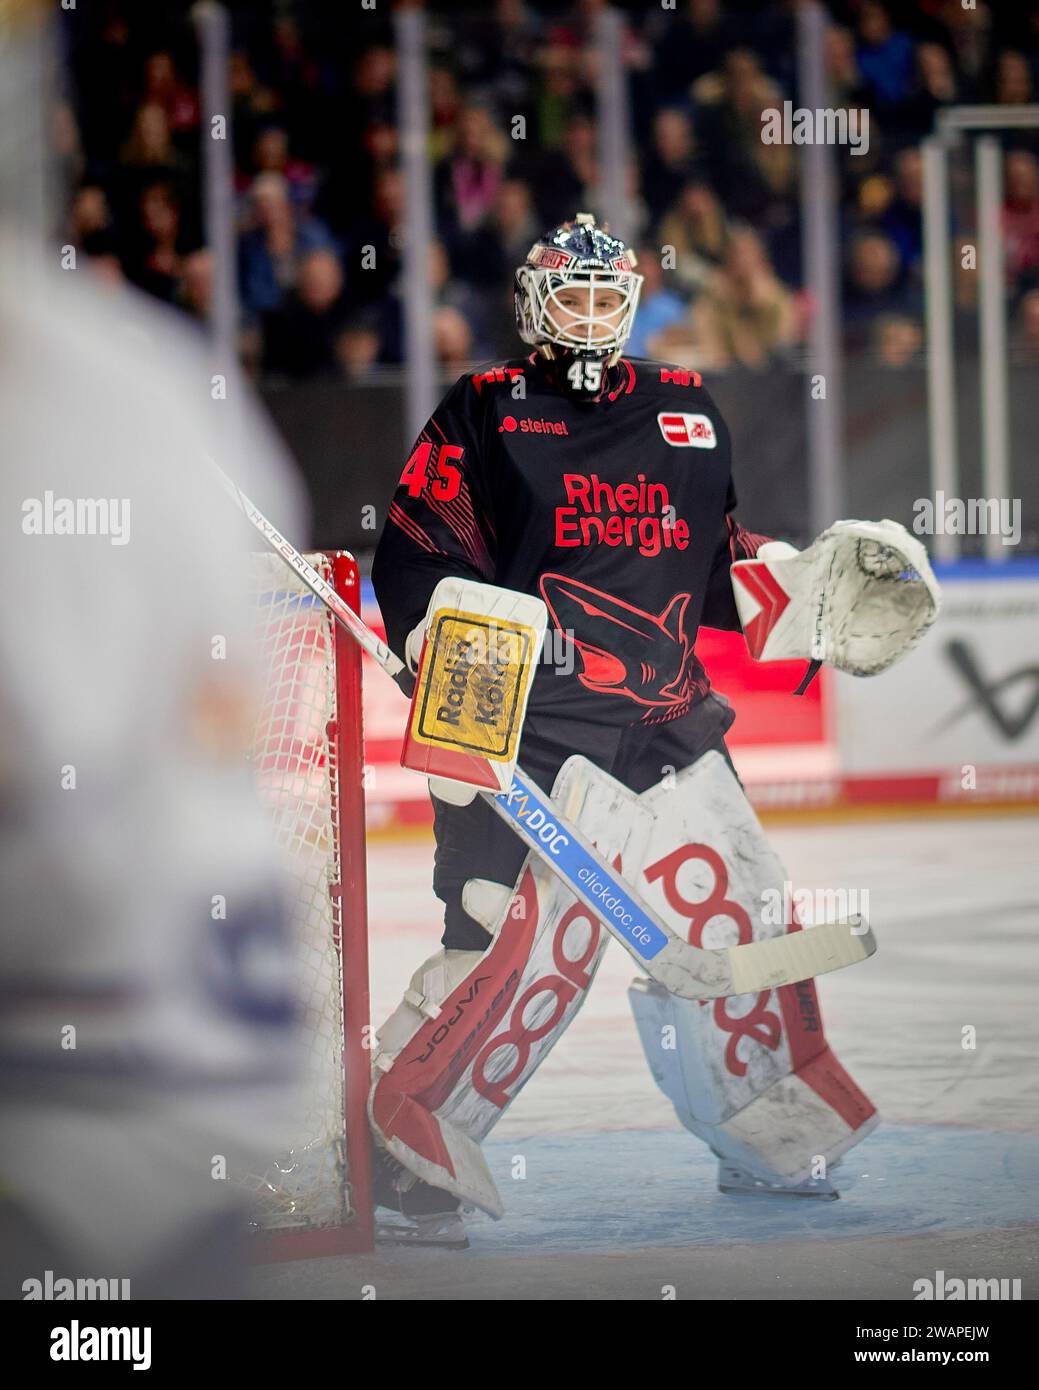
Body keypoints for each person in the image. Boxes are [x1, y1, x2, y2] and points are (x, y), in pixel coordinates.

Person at [369, 214, 878, 1244]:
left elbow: (719, 558)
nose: (596, 316)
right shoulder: (485, 410)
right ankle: (405, 1158)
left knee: (735, 913)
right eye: (577, 297)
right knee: (508, 955)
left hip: (662, 723)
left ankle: (769, 1128)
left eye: (612, 297)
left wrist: (805, 591)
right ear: (535, 305)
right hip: (523, 737)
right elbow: (417, 553)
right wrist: (434, 642)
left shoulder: (685, 407)